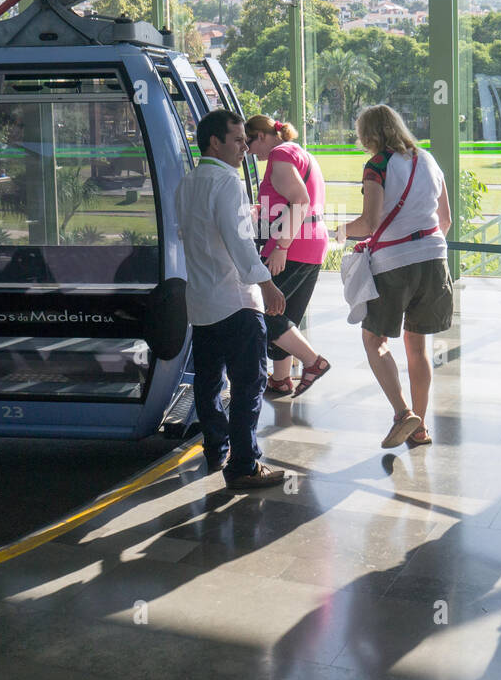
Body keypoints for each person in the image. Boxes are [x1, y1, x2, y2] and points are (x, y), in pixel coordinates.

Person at [174, 110, 287, 491]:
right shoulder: (227, 181)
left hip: (202, 304)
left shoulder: (187, 183)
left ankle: (215, 449)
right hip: (237, 302)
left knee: (208, 383)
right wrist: (266, 283)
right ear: (214, 143)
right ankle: (243, 464)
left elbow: (183, 232)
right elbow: (239, 241)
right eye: (238, 140)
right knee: (249, 384)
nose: (245, 148)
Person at [339, 104, 452, 450]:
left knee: (374, 340)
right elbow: (445, 219)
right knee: (417, 347)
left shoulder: (377, 166)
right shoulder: (428, 159)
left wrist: (338, 231)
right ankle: (420, 427)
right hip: (435, 258)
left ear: (369, 135)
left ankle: (403, 414)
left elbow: (369, 224)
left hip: (394, 264)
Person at [245, 114, 331, 398]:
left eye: (249, 143)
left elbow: (300, 201)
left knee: (263, 311)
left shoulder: (280, 155)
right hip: (313, 244)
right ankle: (281, 379)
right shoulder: (301, 153)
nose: (249, 151)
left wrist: (280, 247)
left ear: (260, 136)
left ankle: (312, 362)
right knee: (286, 315)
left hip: (292, 245)